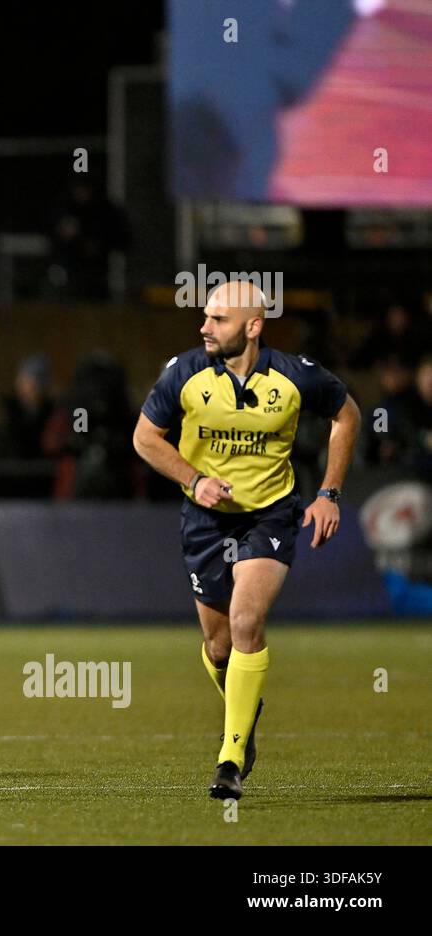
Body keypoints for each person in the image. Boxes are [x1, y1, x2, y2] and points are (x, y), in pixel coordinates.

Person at [132, 281, 360, 800]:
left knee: (244, 623)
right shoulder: (184, 374)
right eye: (206, 317)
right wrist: (193, 480)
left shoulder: (297, 375)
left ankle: (230, 759)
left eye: (218, 319)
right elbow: (145, 438)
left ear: (253, 327)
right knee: (217, 649)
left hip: (270, 517)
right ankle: (244, 716)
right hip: (206, 522)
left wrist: (329, 494)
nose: (204, 327)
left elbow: (346, 415)